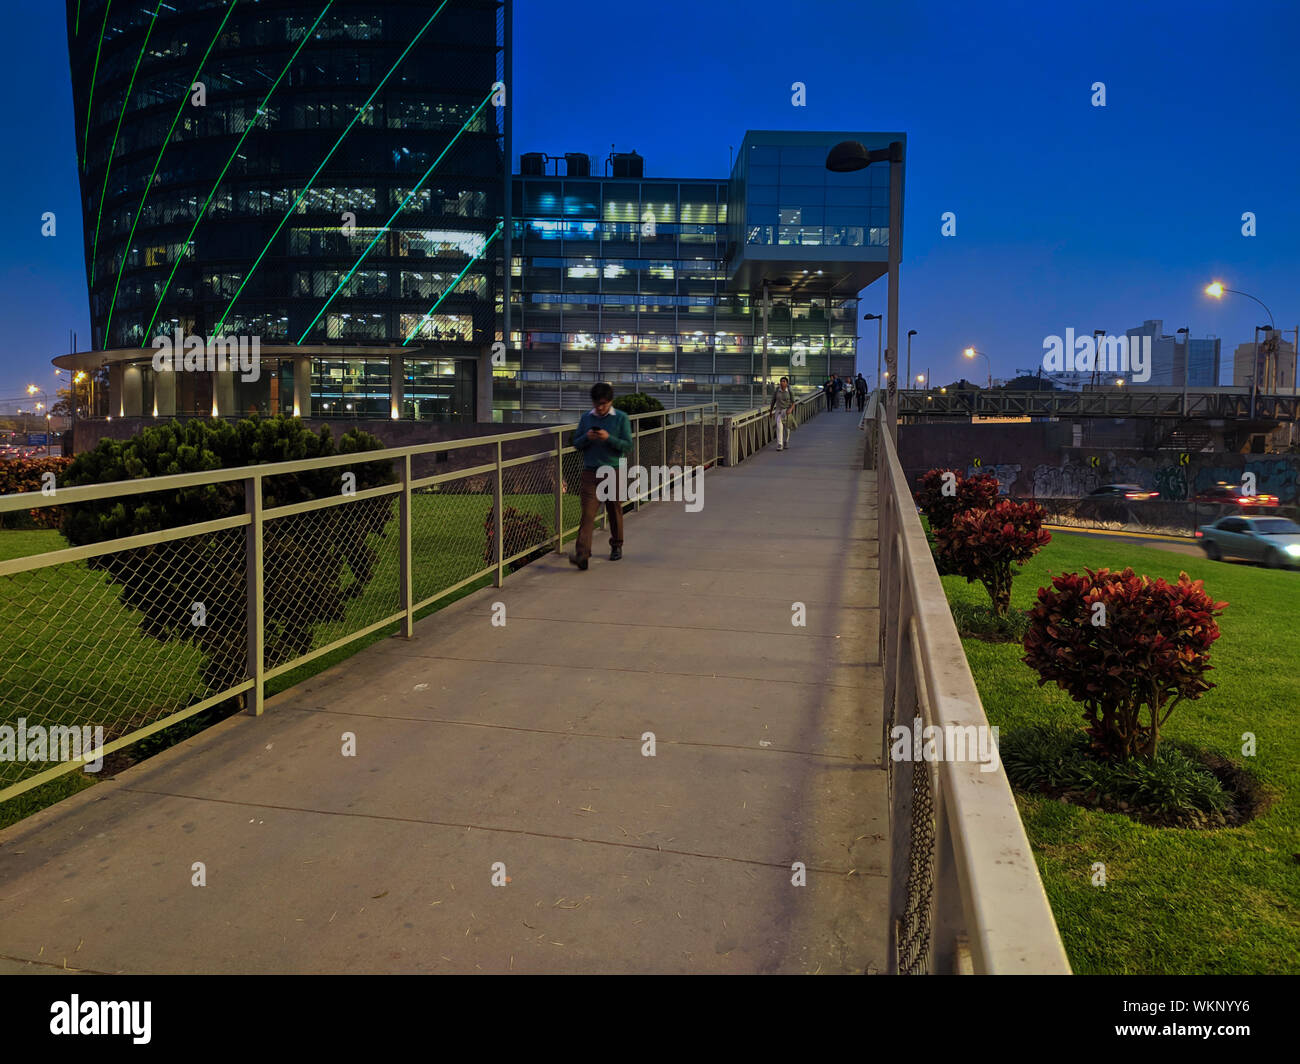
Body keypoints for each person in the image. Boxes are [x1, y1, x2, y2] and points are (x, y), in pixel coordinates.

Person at [570, 382, 633, 571]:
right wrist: (587, 438)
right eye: (596, 403)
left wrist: (608, 438)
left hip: (613, 470)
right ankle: (582, 554)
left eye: (603, 404)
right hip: (590, 472)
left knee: (614, 510)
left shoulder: (621, 418)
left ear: (610, 402)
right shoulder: (586, 418)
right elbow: (576, 443)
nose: (599, 407)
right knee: (588, 514)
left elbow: (628, 446)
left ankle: (617, 545)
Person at [769, 376, 795, 450]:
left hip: (787, 411)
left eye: (784, 381)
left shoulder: (790, 391)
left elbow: (793, 403)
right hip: (779, 410)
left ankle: (786, 441)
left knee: (787, 428)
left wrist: (790, 409)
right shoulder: (777, 390)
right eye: (781, 381)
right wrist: (771, 411)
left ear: (787, 383)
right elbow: (773, 400)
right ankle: (779, 444)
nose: (782, 383)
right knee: (779, 426)